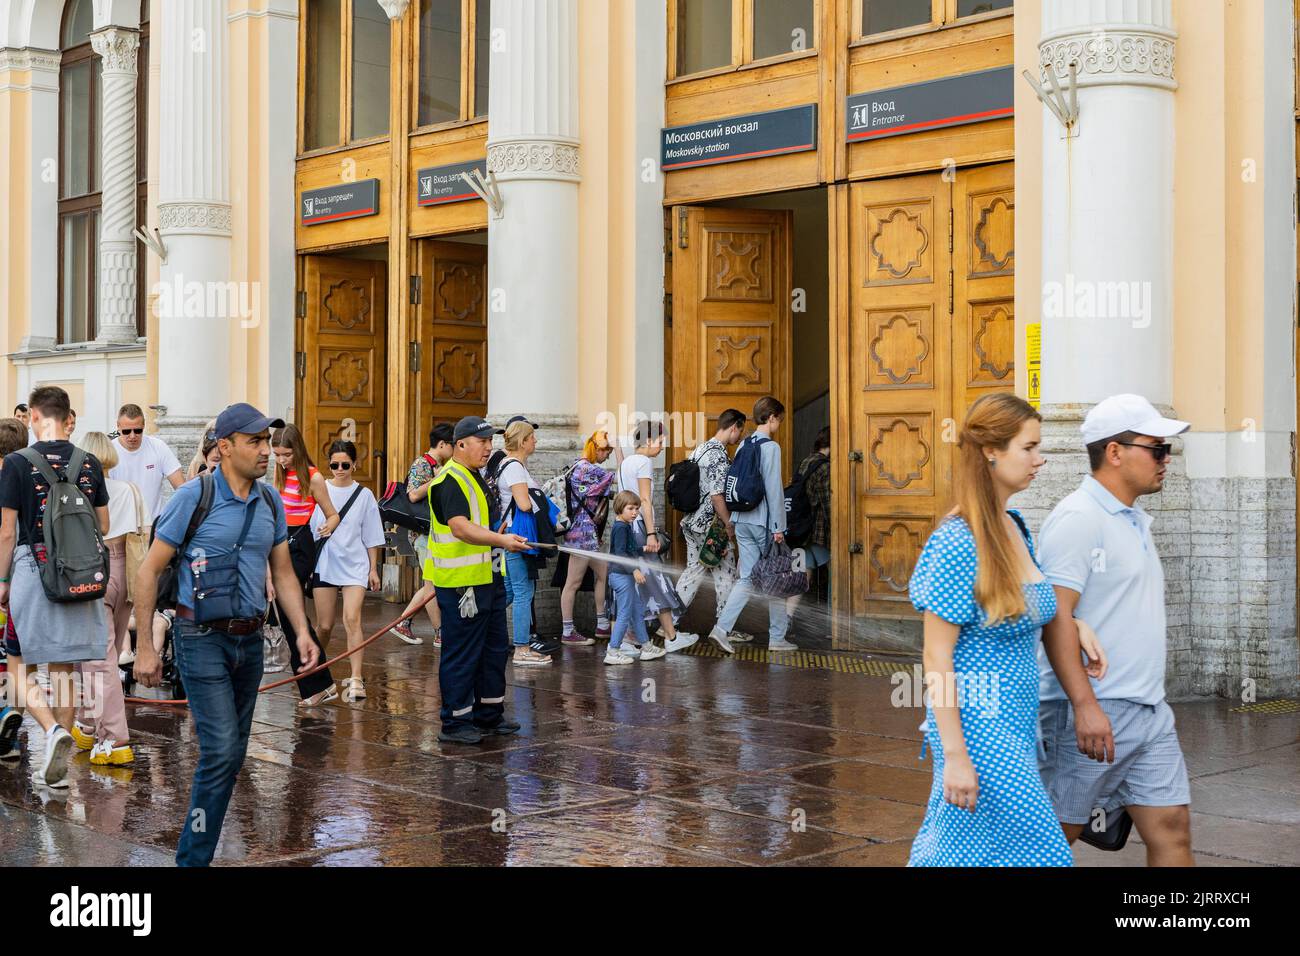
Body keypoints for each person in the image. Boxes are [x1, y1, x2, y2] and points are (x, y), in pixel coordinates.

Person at [132, 402, 320, 867]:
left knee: (231, 757)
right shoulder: (193, 497)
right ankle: (191, 859)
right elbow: (148, 570)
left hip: (250, 641)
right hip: (201, 638)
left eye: (268, 441)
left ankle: (199, 845)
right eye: (255, 441)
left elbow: (284, 573)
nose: (267, 450)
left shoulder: (271, 501)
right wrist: (145, 648)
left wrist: (302, 633)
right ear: (225, 446)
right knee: (219, 753)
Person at [906, 392, 1077, 867]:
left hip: (1018, 723)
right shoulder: (956, 542)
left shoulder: (1015, 526)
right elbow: (936, 658)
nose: (1040, 460)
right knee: (1044, 855)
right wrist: (956, 756)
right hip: (978, 729)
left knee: (967, 852)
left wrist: (1077, 627)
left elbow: (1026, 609)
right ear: (991, 451)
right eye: (1030, 447)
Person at [1038, 394, 1194, 866]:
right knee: (1048, 839)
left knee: (1173, 830)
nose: (1166, 460)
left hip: (1147, 710)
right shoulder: (1078, 519)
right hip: (1091, 712)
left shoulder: (1131, 519)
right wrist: (1086, 706)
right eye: (1158, 449)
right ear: (1115, 452)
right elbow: (1054, 617)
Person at [0, 388, 110, 789]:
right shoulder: (89, 462)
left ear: (33, 416)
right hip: (77, 571)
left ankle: (50, 731)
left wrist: (2, 581)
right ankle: (59, 772)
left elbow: (7, 532)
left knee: (18, 663)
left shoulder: (16, 463)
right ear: (66, 418)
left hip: (33, 565)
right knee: (64, 667)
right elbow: (104, 525)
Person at [425, 416, 530, 744]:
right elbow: (459, 527)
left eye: (490, 441)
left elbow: (478, 525)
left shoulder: (475, 477)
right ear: (460, 445)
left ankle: (488, 714)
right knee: (462, 652)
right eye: (481, 441)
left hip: (488, 578)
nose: (489, 447)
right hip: (462, 584)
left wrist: (498, 535)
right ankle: (455, 722)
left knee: (494, 649)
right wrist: (501, 541)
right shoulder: (449, 481)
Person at [67, 432, 138, 766]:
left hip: (96, 567)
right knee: (104, 655)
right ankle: (88, 721)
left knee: (98, 660)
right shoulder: (131, 491)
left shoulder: (84, 492)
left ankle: (114, 738)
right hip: (129, 570)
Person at [706, 396, 792, 654]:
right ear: (773, 417)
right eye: (780, 419)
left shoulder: (745, 443)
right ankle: (777, 637)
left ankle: (721, 630)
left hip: (741, 519)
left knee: (747, 579)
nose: (780, 424)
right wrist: (779, 527)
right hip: (764, 522)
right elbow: (774, 490)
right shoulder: (771, 447)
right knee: (777, 577)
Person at [309, 440, 386, 703]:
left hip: (355, 565)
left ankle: (356, 678)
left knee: (352, 618)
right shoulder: (320, 489)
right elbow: (308, 529)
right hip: (326, 563)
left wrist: (373, 569)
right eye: (334, 464)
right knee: (325, 625)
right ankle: (316, 677)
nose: (340, 469)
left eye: (345, 464)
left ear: (354, 464)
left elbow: (372, 535)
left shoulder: (364, 495)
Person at [270, 424, 340, 708]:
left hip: (298, 545)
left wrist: (327, 527)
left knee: (291, 613)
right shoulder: (277, 474)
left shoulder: (313, 478)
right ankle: (320, 683)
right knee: (283, 614)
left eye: (286, 454)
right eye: (277, 454)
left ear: (297, 450)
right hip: (277, 544)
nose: (281, 460)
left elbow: (332, 514)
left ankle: (320, 684)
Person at [616, 420, 697, 653]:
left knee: (636, 583)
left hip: (627, 529)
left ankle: (627, 636)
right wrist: (651, 533)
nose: (662, 447)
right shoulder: (643, 462)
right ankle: (671, 638)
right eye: (660, 442)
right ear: (649, 441)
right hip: (640, 528)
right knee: (657, 581)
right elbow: (644, 501)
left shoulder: (627, 463)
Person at [675, 409, 746, 640]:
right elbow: (717, 496)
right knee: (726, 574)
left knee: (693, 572)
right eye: (740, 431)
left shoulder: (701, 448)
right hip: (710, 526)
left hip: (691, 522)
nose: (739, 437)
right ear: (734, 426)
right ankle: (725, 628)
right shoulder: (718, 455)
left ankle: (669, 620)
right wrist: (728, 525)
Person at [390, 422, 455, 646]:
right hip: (422, 534)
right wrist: (440, 478)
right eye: (452, 444)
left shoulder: (437, 464)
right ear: (442, 444)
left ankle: (403, 622)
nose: (455, 449)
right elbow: (413, 495)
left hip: (432, 534)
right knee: (432, 586)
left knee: (432, 583)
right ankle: (440, 633)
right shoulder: (422, 464)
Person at [496, 420, 552, 667]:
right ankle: (522, 649)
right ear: (522, 441)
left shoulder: (507, 465)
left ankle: (485, 631)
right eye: (532, 437)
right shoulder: (515, 467)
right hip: (519, 536)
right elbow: (524, 505)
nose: (535, 441)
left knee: (508, 591)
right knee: (523, 592)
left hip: (513, 535)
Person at [556, 430, 616, 645]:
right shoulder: (590, 470)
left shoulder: (575, 466)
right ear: (597, 449)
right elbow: (620, 478)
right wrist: (619, 451)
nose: (607, 455)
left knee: (603, 574)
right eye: (606, 451)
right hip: (581, 536)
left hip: (584, 535)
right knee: (573, 582)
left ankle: (601, 625)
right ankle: (567, 631)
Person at [604, 491, 666, 664]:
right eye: (630, 508)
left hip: (623, 576)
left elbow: (628, 549)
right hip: (622, 576)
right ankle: (613, 650)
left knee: (637, 611)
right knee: (624, 613)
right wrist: (634, 570)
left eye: (637, 508)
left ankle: (646, 647)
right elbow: (621, 553)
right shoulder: (621, 528)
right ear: (619, 508)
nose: (635, 512)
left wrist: (643, 549)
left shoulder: (624, 526)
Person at [110, 403, 184, 527]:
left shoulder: (158, 447)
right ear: (118, 426)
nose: (132, 436)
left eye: (138, 431)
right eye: (127, 431)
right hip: (120, 528)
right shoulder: (109, 451)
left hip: (153, 527)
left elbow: (181, 487)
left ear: (144, 425)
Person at [787, 425, 832, 616]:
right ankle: (835, 621)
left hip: (801, 531)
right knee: (837, 572)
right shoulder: (825, 467)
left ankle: (787, 618)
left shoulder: (806, 462)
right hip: (819, 531)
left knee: (802, 575)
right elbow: (827, 502)